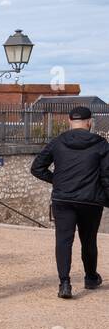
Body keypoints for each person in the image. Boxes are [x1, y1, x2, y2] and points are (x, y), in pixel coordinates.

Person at [30, 105, 109, 299]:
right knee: (88, 240)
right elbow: (107, 176)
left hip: (63, 199)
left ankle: (64, 284)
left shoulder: (57, 141)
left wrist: (56, 181)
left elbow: (37, 167)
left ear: (69, 121)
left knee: (63, 241)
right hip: (90, 200)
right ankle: (90, 278)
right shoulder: (101, 144)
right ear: (89, 122)